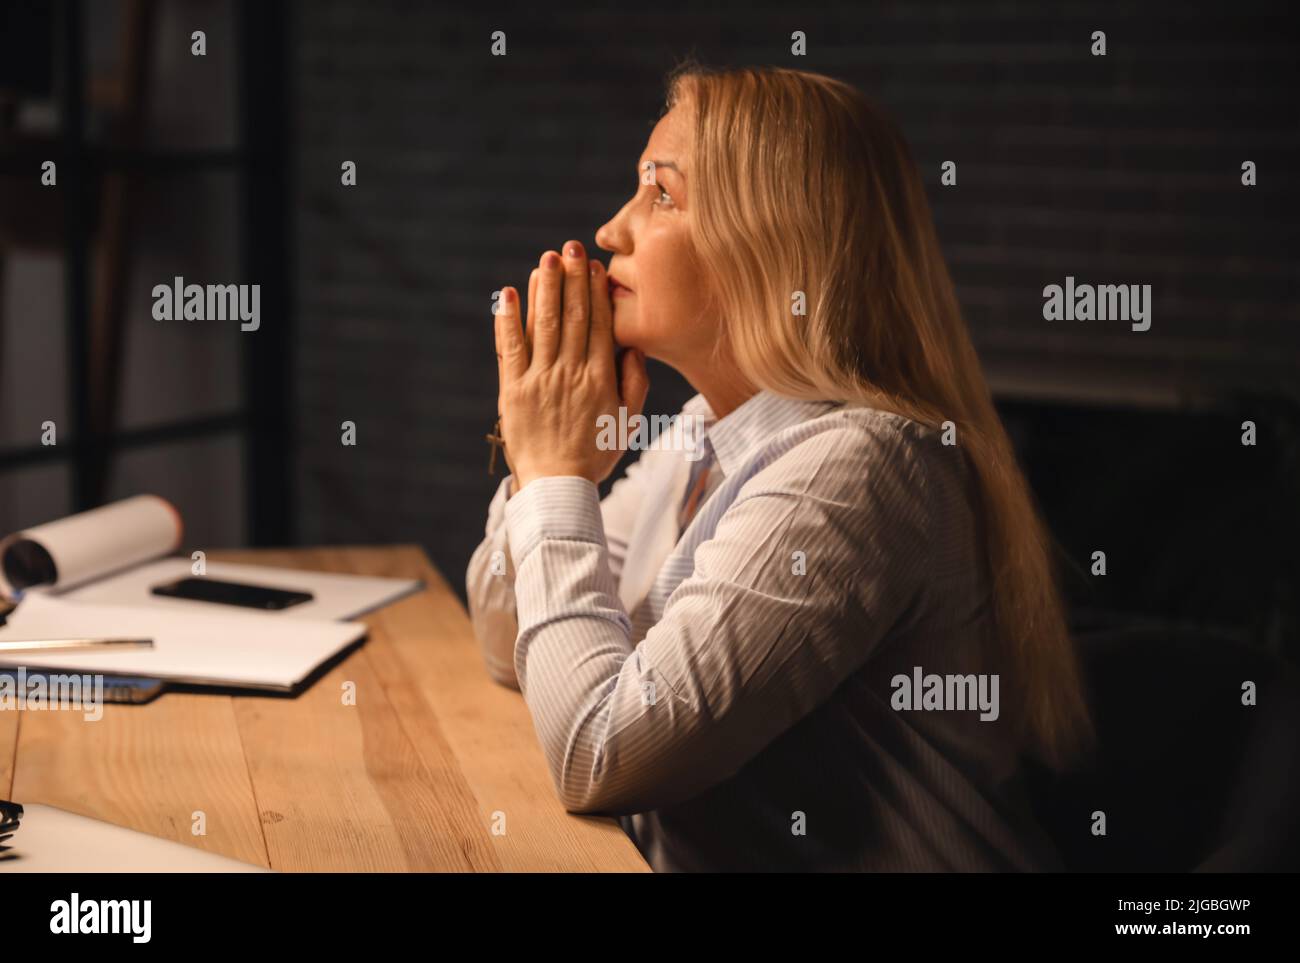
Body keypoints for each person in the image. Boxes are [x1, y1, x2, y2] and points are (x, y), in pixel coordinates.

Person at [466, 63, 1093, 872]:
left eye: (661, 196)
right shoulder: (701, 431)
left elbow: (602, 755)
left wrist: (554, 476)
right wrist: (547, 472)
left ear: (770, 243)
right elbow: (503, 641)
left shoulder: (860, 467)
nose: (613, 230)